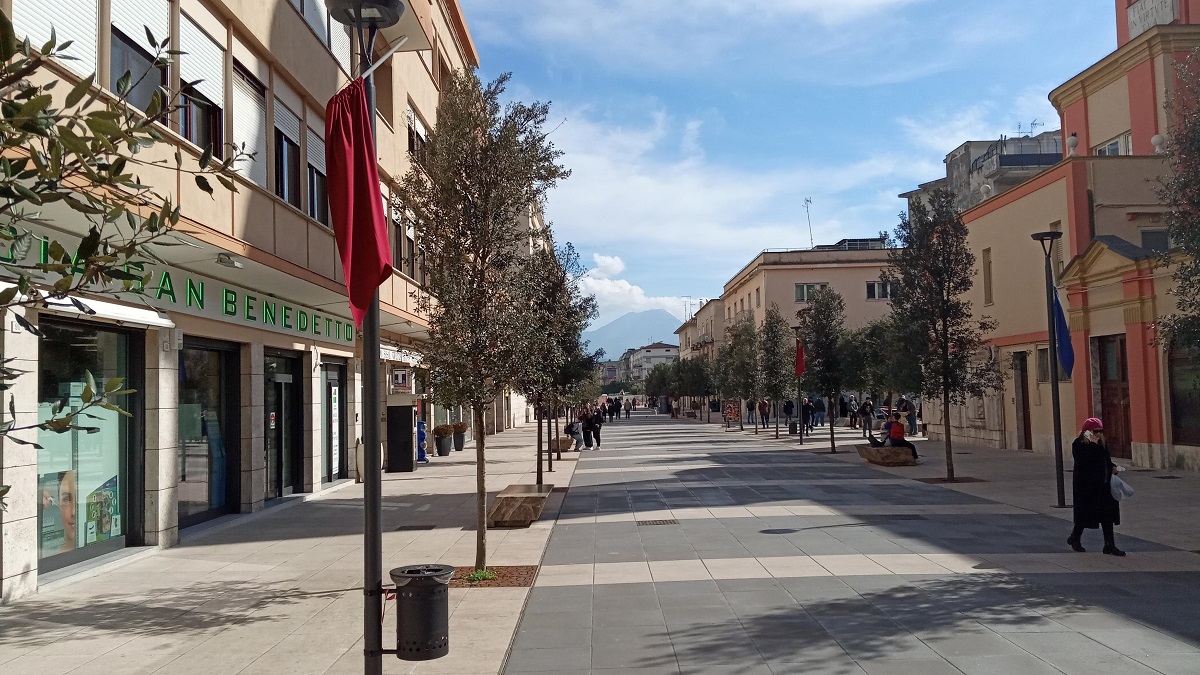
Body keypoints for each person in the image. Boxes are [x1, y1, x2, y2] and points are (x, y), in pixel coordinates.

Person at [1068, 418, 1125, 556]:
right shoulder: (1079, 444)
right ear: (1087, 432)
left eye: (1100, 431)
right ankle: (1075, 538)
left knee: (1107, 515)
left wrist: (1112, 467)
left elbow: (1105, 460)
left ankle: (1109, 545)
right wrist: (1092, 444)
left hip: (1103, 485)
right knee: (1084, 514)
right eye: (1095, 431)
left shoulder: (1102, 443)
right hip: (1087, 486)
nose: (1098, 434)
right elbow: (1083, 461)